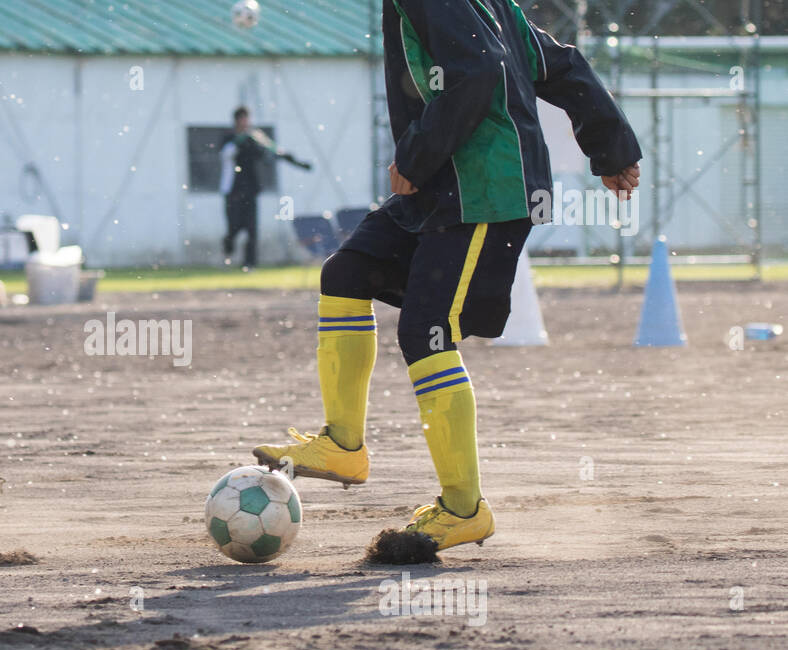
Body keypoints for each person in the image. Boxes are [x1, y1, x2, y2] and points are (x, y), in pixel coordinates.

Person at [253, 0, 642, 552]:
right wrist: (612, 147)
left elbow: (479, 73)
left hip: (487, 188)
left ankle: (463, 509)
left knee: (426, 330)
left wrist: (414, 155)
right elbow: (561, 63)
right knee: (347, 273)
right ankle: (343, 444)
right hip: (447, 186)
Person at [220, 106, 313, 269]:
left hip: (251, 189)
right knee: (233, 228)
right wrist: (241, 138)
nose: (245, 122)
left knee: (251, 229)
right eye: (242, 119)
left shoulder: (254, 137)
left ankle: (250, 263)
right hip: (233, 190)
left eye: (247, 119)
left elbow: (272, 151)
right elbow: (226, 154)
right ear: (236, 121)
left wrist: (296, 162)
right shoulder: (229, 139)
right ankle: (228, 249)